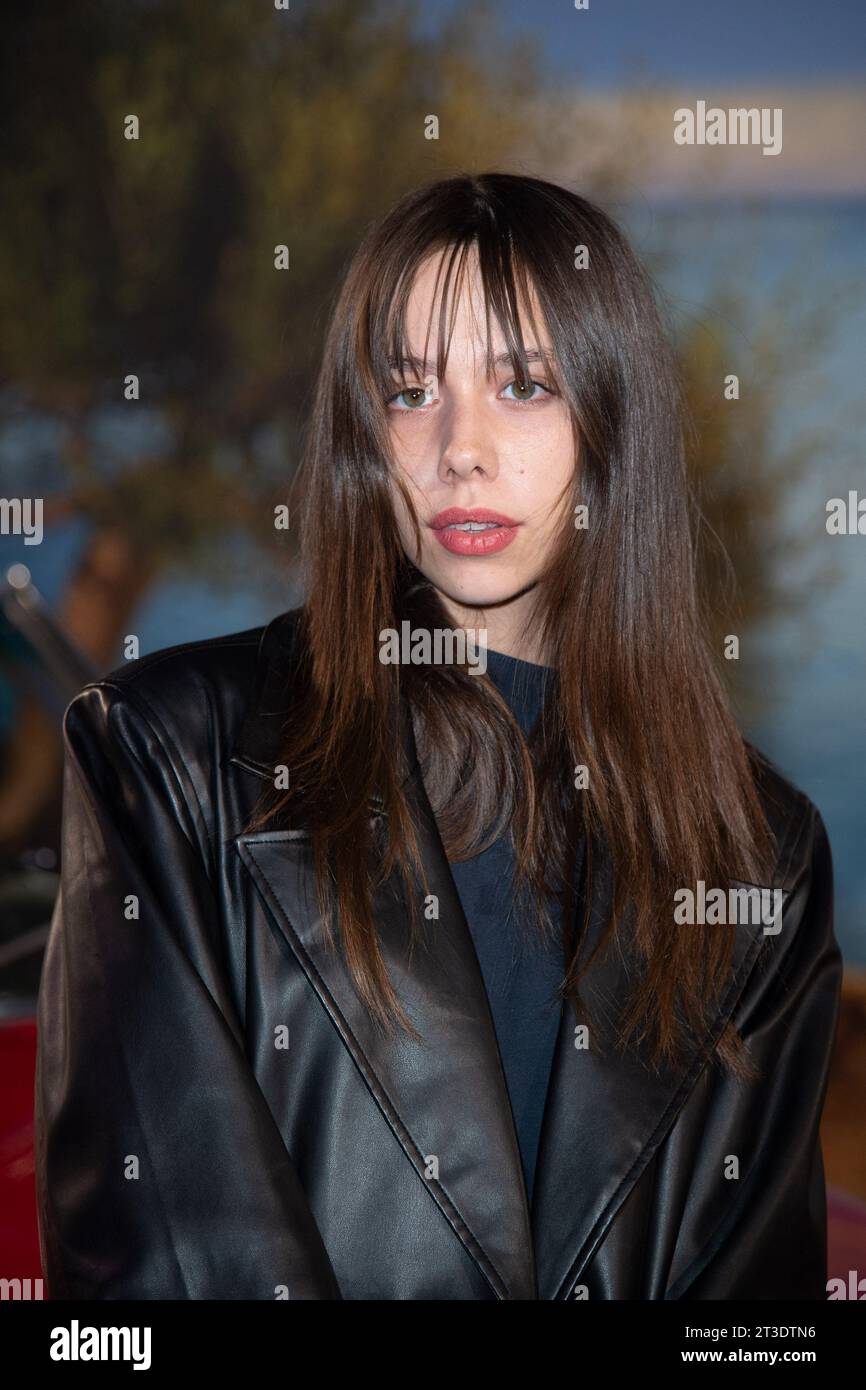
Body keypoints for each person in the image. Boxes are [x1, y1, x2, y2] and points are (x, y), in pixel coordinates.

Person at [34, 171, 842, 1300]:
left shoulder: (760, 854)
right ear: (366, 435)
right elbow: (163, 1269)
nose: (460, 446)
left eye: (522, 385)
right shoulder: (167, 758)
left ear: (610, 423)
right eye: (410, 392)